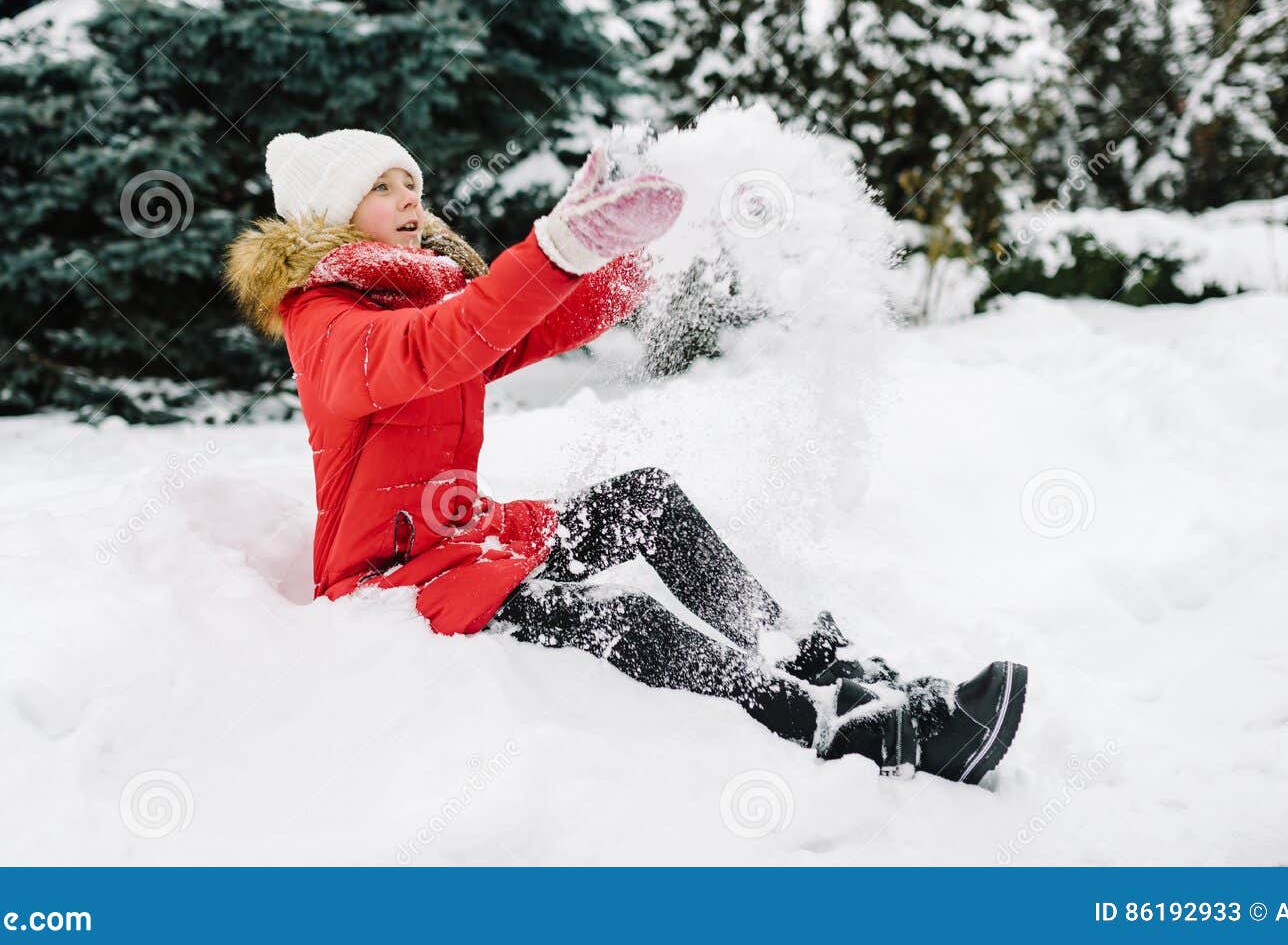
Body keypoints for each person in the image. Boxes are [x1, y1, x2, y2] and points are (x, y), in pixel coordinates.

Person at [225, 128, 1027, 784]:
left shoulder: (425, 295)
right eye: (384, 187)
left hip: (461, 538)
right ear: (331, 213)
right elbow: (441, 346)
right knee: (626, 615)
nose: (411, 200)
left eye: (413, 185)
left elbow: (533, 324)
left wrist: (643, 251)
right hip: (389, 579)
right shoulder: (325, 322)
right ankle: (834, 727)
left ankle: (830, 665)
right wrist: (557, 245)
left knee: (644, 498)